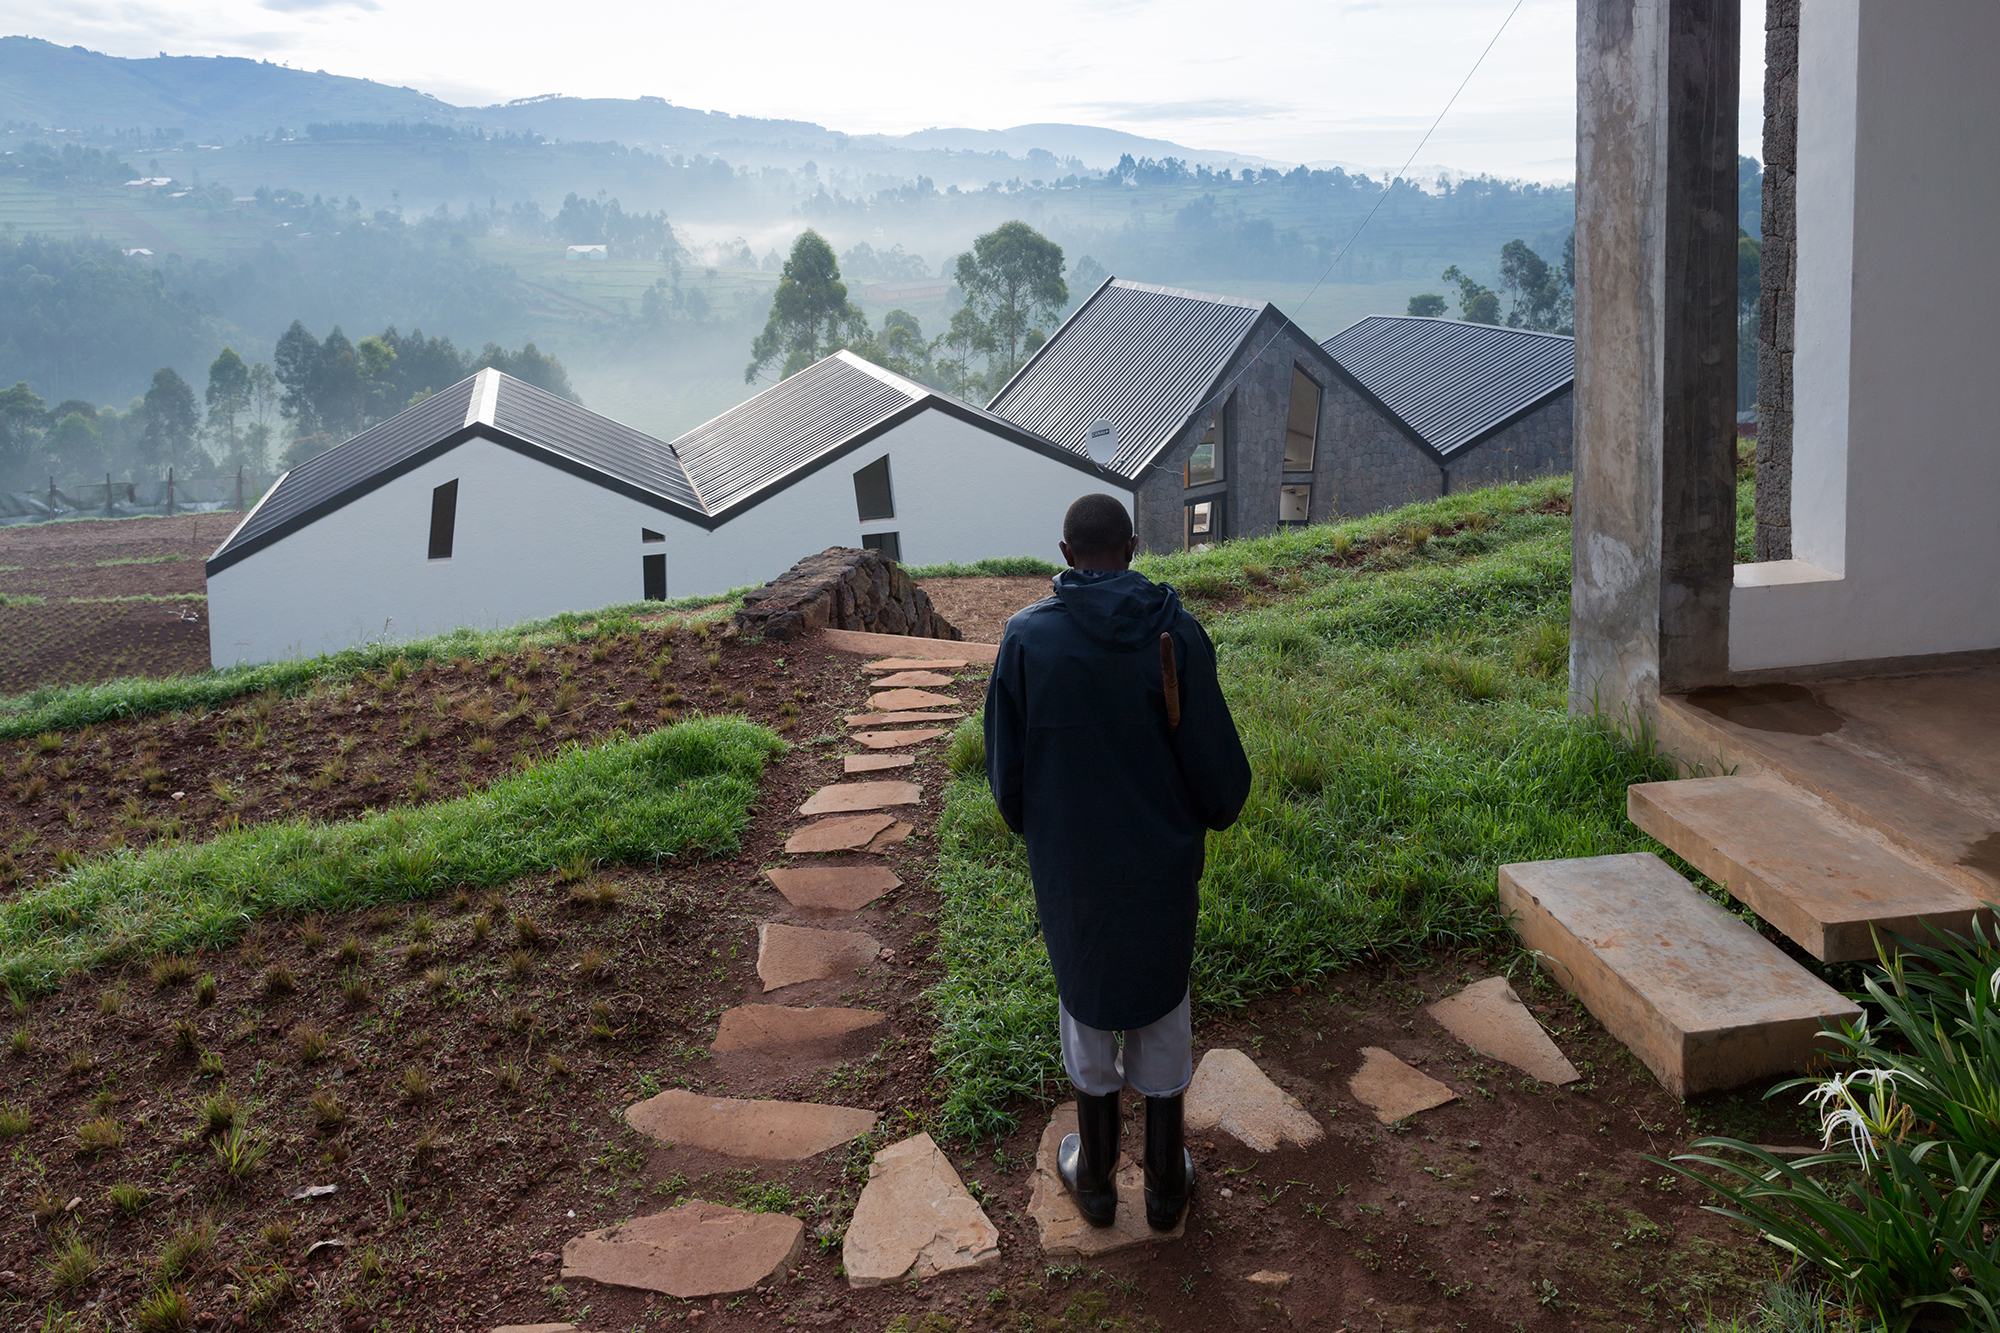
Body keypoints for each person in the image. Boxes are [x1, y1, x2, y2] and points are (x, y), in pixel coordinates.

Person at [983, 493, 1252, 1231]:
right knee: (1163, 1001)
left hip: (1075, 867)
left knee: (1087, 999)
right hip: (1161, 865)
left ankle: (1095, 1176)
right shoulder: (1178, 633)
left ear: (1066, 554)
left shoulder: (1026, 641)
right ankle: (1167, 1182)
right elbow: (1222, 781)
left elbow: (1008, 785)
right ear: (1132, 546)